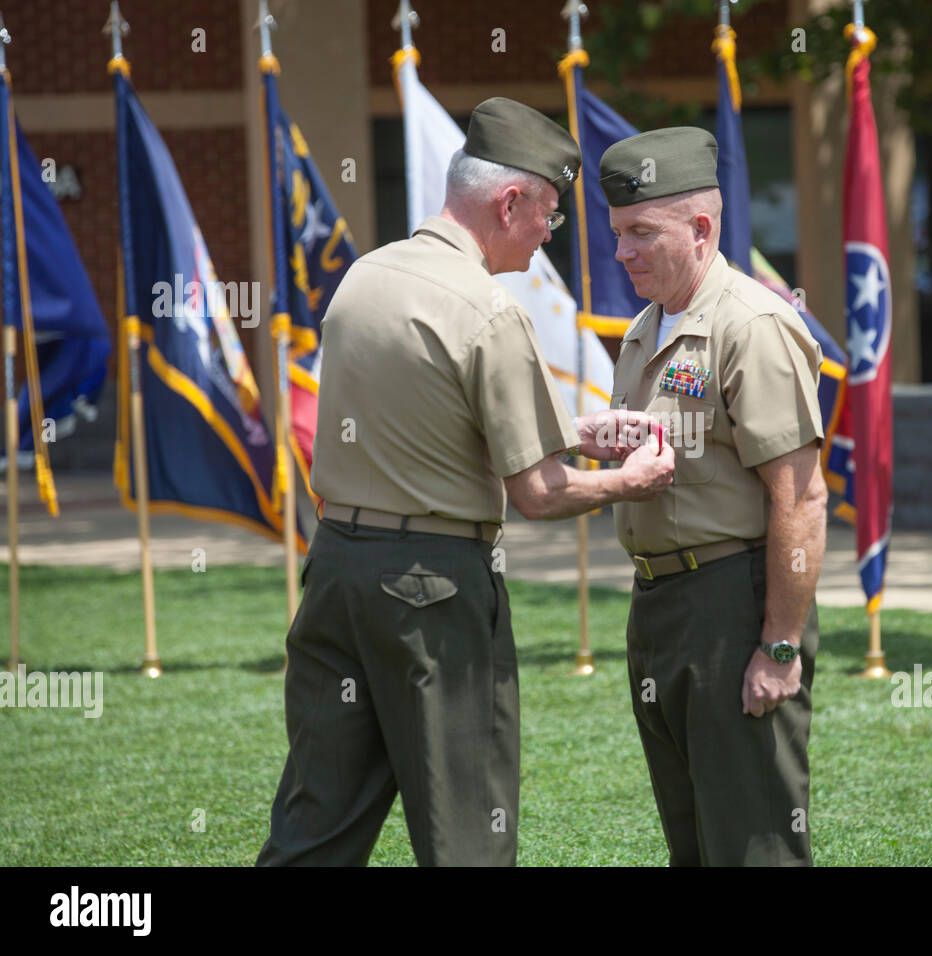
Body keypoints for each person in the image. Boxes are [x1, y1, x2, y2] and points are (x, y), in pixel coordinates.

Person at [256, 98, 675, 867]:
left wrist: (577, 431)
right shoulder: (488, 308)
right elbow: (540, 493)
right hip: (433, 593)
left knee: (316, 820)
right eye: (548, 214)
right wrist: (631, 481)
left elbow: (425, 423)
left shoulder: (362, 280)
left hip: (337, 572)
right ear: (508, 202)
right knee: (464, 832)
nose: (552, 233)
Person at [600, 127, 828, 866]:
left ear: (701, 229)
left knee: (752, 844)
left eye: (641, 232)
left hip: (734, 605)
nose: (622, 251)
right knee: (693, 844)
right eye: (618, 233)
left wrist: (780, 644)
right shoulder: (644, 329)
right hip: (659, 607)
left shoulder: (750, 325)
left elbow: (800, 498)